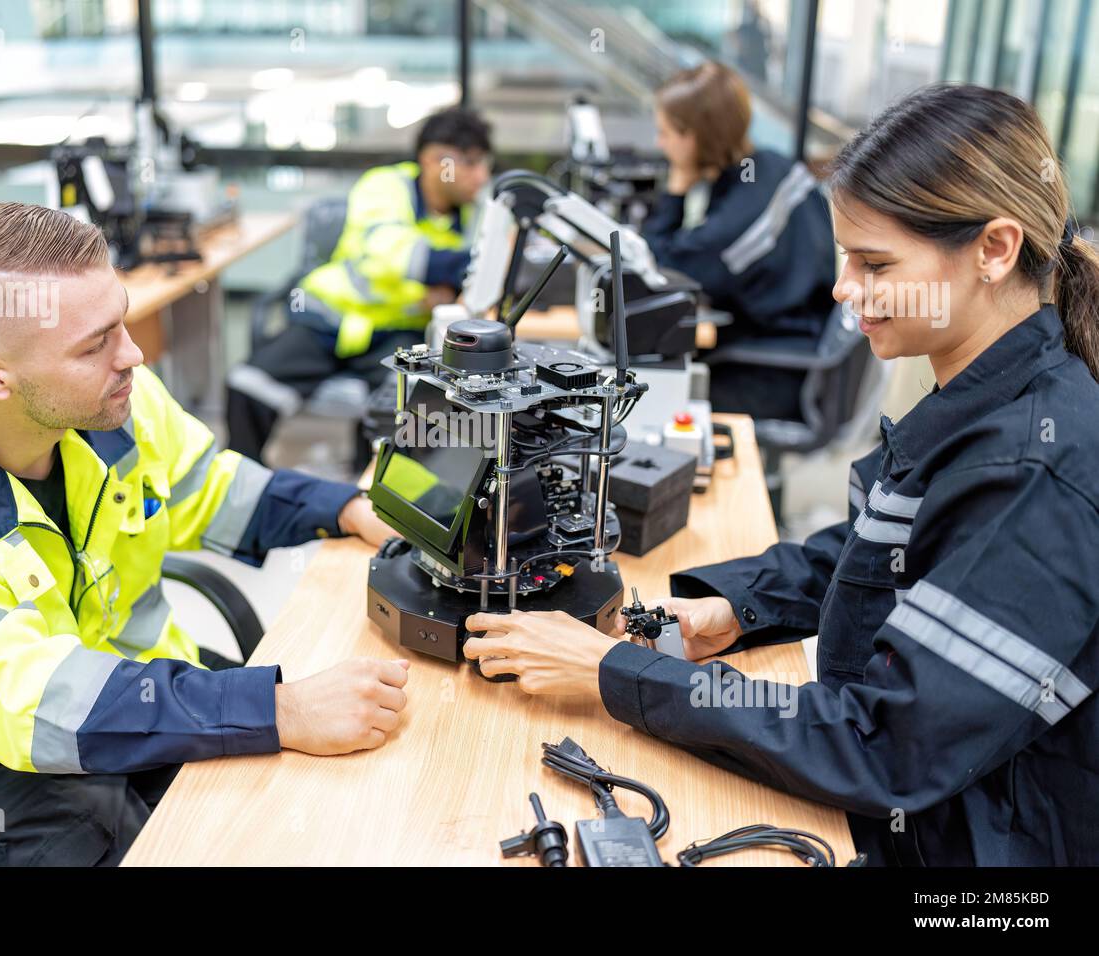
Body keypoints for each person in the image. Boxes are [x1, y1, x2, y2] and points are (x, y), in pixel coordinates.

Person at [461, 84, 1099, 866]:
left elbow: (881, 748)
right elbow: (896, 548)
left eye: (874, 264)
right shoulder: (997, 395)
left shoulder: (1039, 466)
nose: (843, 290)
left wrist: (614, 671)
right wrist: (738, 607)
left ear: (994, 251)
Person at [0, 201, 410, 866]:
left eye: (120, 319)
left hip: (128, 692)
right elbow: (26, 699)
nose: (134, 354)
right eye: (95, 343)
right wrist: (278, 710)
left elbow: (212, 490)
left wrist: (349, 506)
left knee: (313, 799)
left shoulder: (109, 405)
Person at [225, 106, 492, 460]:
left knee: (402, 407)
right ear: (432, 160)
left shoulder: (468, 211)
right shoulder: (385, 186)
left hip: (396, 332)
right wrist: (450, 272)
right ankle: (250, 485)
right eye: (471, 163)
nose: (482, 175)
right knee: (246, 386)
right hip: (331, 321)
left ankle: (367, 497)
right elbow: (391, 257)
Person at [642, 60, 838, 421]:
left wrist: (677, 185)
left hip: (773, 372)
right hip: (789, 349)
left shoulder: (739, 218)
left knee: (652, 404)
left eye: (666, 132)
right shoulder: (770, 168)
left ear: (692, 138)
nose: (660, 143)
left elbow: (659, 274)